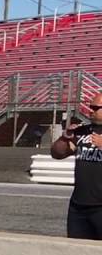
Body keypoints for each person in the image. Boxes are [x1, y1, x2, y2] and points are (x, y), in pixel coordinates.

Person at [50, 93, 102, 240]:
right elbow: (57, 154)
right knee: (76, 250)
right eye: (90, 107)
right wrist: (64, 138)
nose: (90, 111)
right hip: (79, 206)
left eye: (95, 108)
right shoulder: (82, 132)